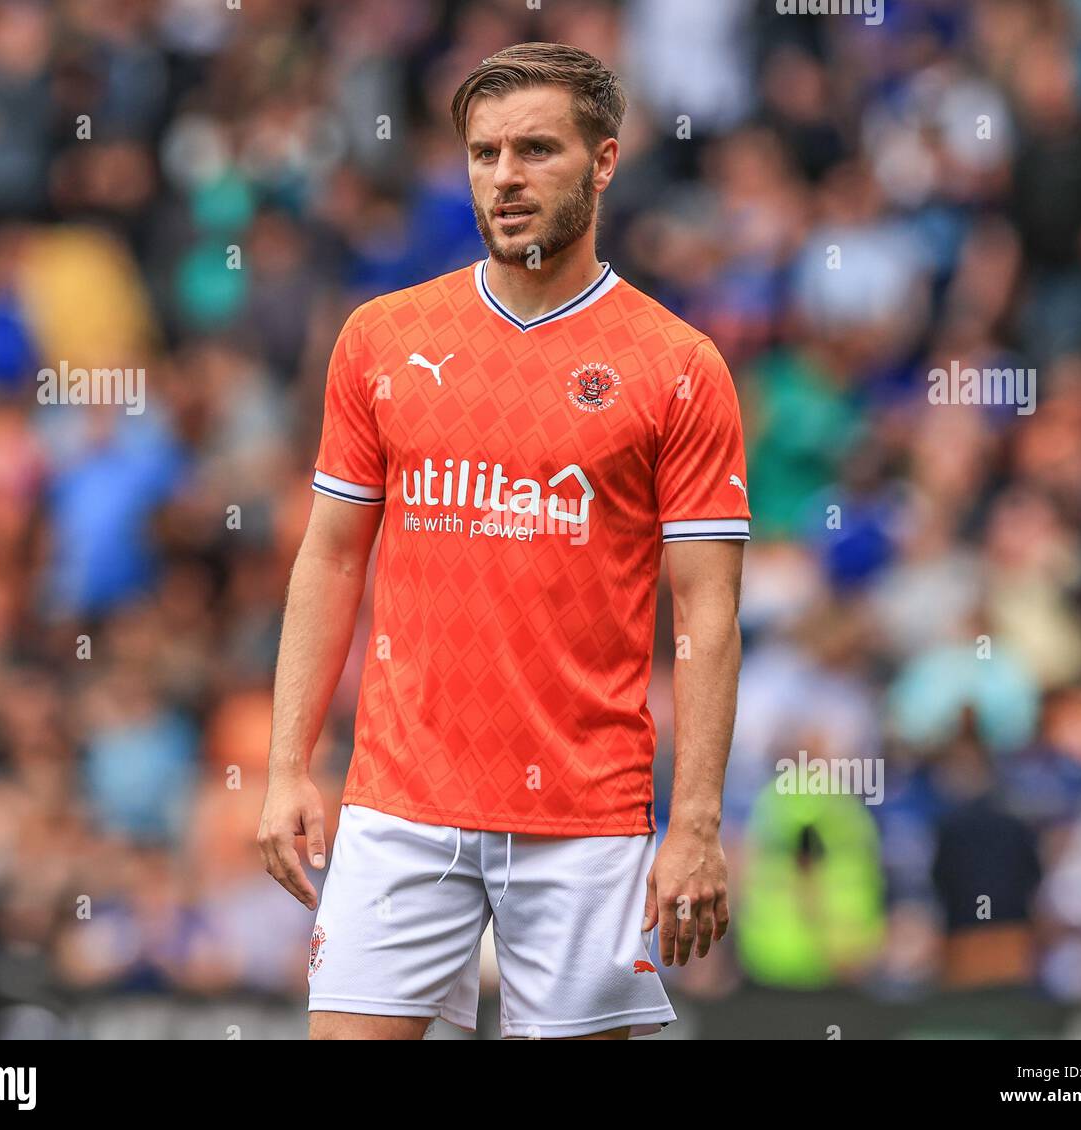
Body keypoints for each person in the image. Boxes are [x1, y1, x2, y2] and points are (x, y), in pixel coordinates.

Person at [257, 41, 751, 1040]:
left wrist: (694, 819)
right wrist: (284, 765)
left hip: (585, 818)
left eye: (536, 149)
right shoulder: (381, 338)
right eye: (484, 154)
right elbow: (332, 554)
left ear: (604, 161)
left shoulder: (677, 367)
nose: (505, 178)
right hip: (400, 799)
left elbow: (706, 607)